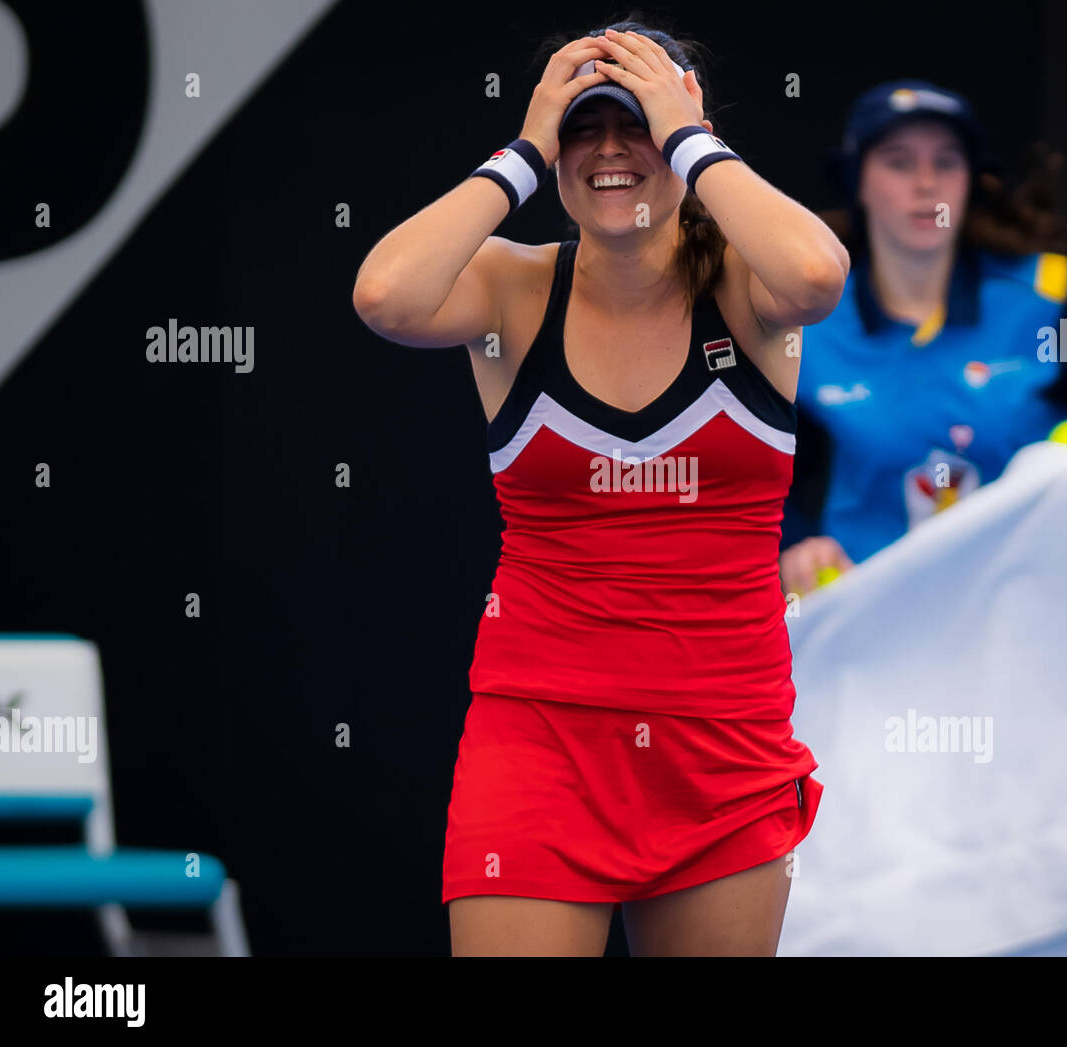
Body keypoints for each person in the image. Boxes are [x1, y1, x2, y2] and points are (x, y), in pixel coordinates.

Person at [352, 19, 848, 956]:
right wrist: (524, 149)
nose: (614, 150)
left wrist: (691, 135)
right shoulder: (508, 287)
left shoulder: (748, 288)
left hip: (723, 743)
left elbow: (819, 273)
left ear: (685, 137)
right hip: (540, 739)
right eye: (587, 126)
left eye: (639, 125)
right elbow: (385, 295)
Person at [779, 80, 1067, 595]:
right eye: (899, 162)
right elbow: (763, 471)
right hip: (872, 621)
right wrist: (798, 540)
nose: (926, 183)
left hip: (1026, 614)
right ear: (858, 179)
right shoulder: (810, 321)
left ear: (971, 181)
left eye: (946, 162)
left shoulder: (1042, 298)